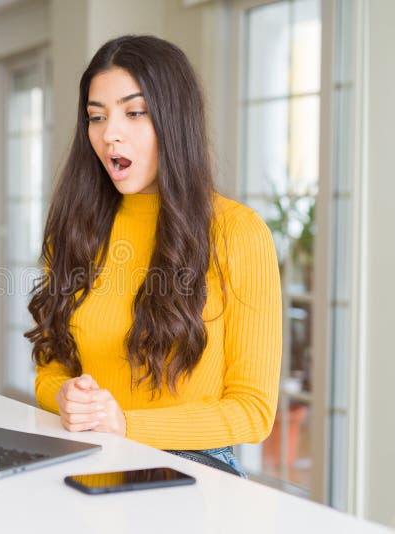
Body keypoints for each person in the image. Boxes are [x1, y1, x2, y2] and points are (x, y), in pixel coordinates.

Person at [25, 35, 282, 478]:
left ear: (173, 119)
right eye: (96, 117)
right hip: (88, 453)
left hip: (191, 468)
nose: (110, 134)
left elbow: (253, 411)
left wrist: (126, 423)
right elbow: (52, 368)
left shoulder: (238, 232)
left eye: (134, 112)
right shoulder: (75, 227)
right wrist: (66, 395)